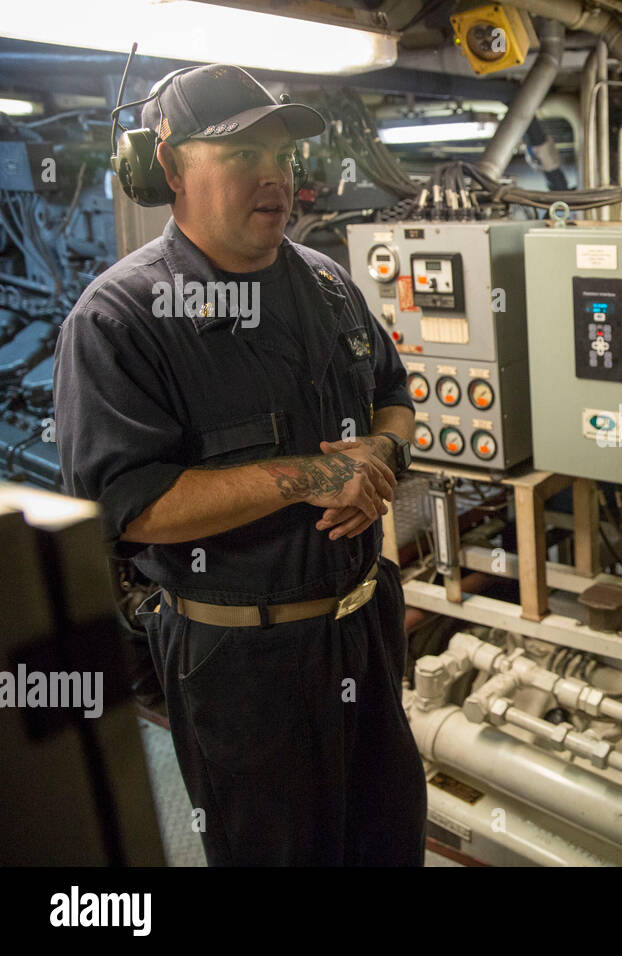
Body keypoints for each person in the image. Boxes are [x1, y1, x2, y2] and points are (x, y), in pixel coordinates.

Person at [53, 64, 426, 865]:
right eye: (243, 152)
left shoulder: (328, 285)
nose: (276, 175)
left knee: (388, 839)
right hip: (242, 664)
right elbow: (130, 505)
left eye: (284, 154)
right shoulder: (119, 320)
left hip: (364, 627)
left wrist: (383, 454)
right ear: (168, 167)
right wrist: (321, 477)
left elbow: (396, 397)